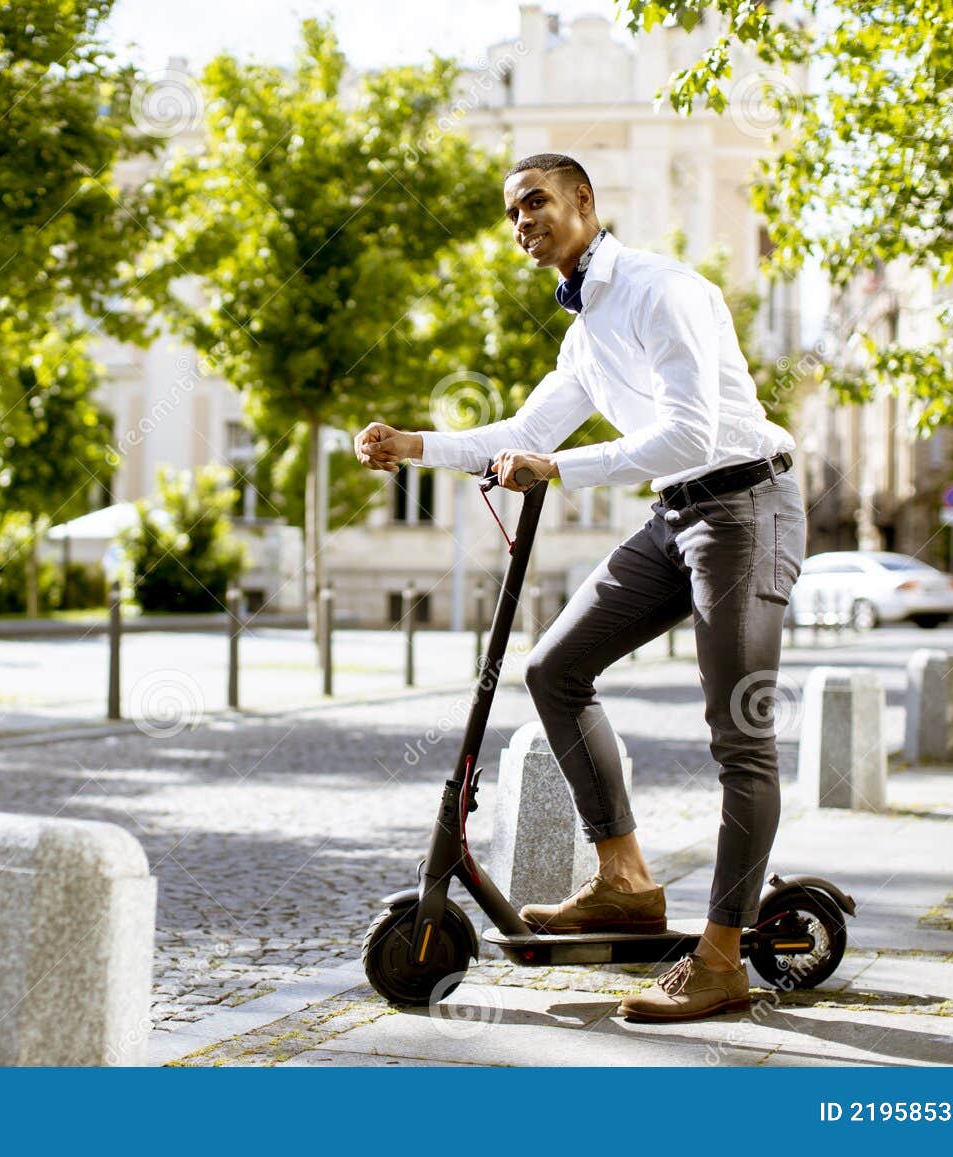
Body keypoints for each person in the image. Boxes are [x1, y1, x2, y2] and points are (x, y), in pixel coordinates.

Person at [353, 153, 805, 1023]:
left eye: (538, 203)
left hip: (748, 504)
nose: (524, 222)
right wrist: (413, 445)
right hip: (680, 515)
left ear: (586, 202)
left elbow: (688, 432)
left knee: (739, 735)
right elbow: (524, 431)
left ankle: (720, 960)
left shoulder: (661, 291)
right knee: (553, 669)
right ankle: (625, 879)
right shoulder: (586, 330)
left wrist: (555, 466)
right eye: (513, 213)